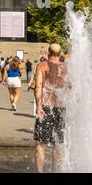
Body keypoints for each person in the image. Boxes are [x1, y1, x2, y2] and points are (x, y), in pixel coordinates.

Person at [33, 42, 68, 172]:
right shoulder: (66, 68)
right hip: (61, 108)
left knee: (40, 144)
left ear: (48, 52)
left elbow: (38, 87)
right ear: (60, 54)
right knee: (58, 144)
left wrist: (39, 106)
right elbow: (71, 88)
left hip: (46, 107)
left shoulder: (42, 65)